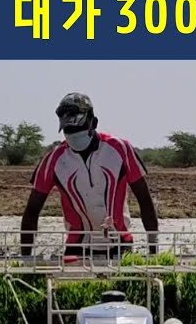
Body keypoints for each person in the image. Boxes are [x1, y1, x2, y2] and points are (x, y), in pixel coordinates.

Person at [20, 92, 159, 260]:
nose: (74, 136)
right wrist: (26, 260)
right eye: (69, 131)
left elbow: (144, 198)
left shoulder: (120, 149)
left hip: (120, 245)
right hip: (77, 247)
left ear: (94, 123)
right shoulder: (53, 160)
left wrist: (153, 252)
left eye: (79, 130)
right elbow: (32, 210)